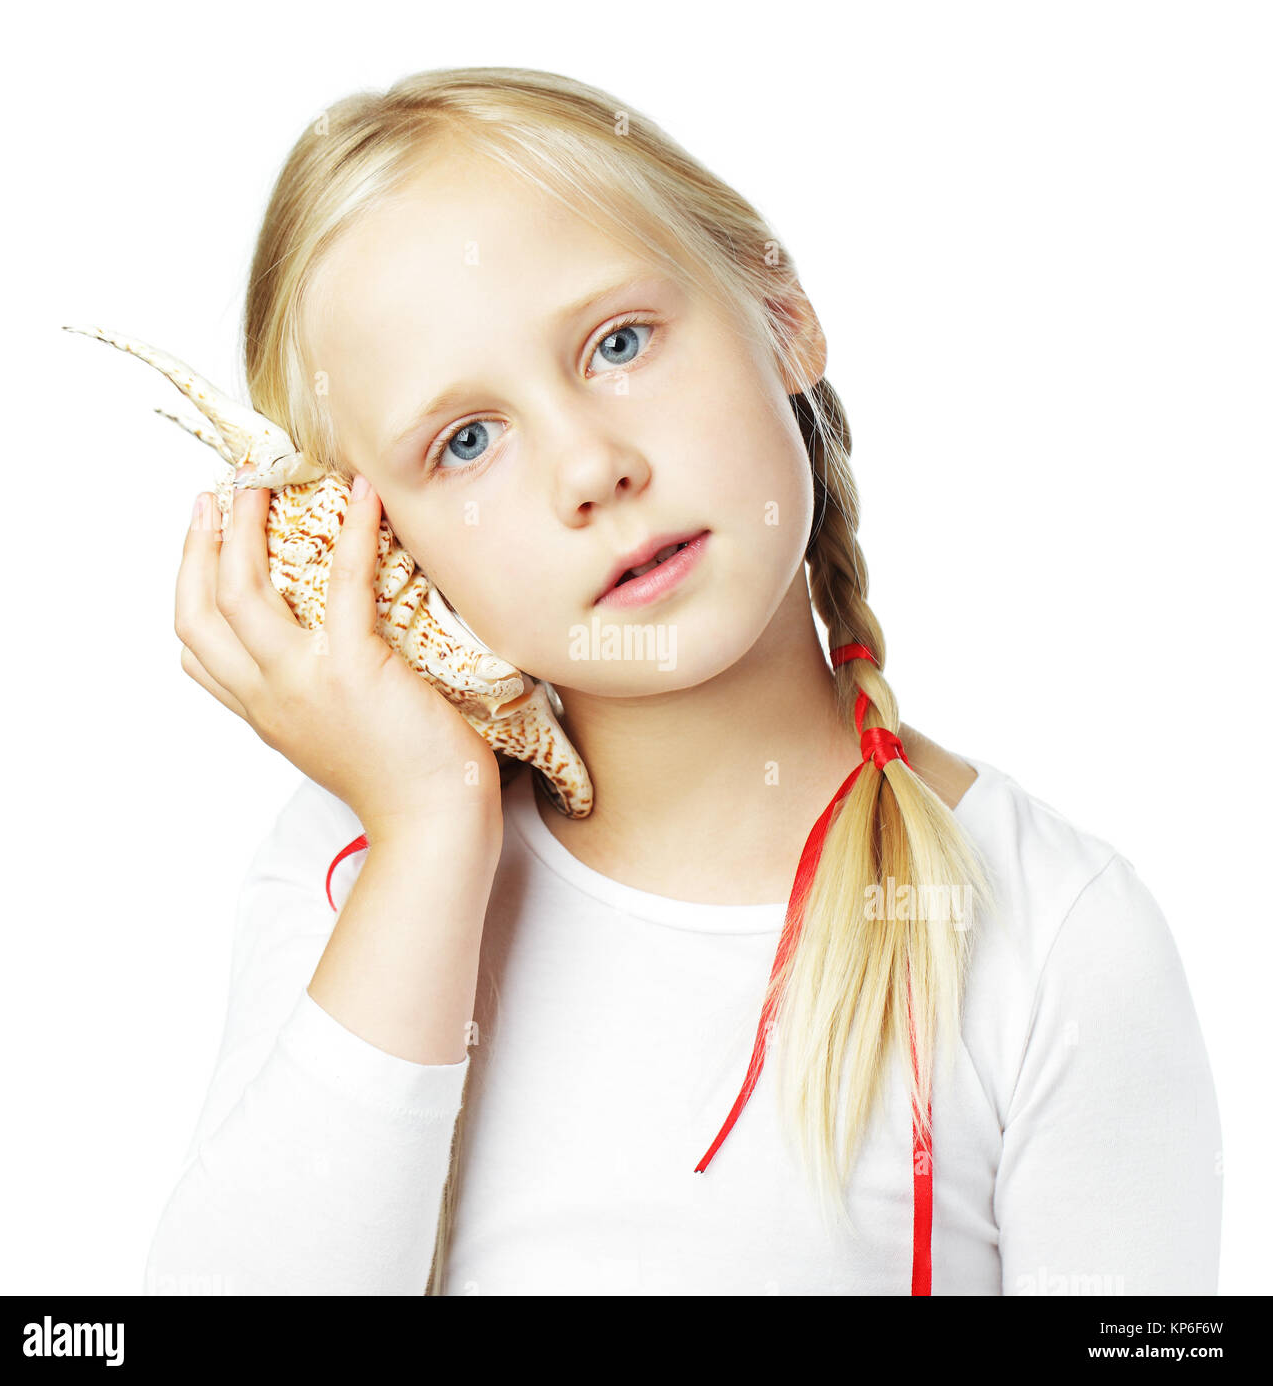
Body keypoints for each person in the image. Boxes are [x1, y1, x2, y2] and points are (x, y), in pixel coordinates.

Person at [145, 66, 1221, 1296]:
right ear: (379, 548)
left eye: (617, 343)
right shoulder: (354, 872)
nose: (590, 467)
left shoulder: (1053, 938)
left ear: (783, 315)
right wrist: (434, 830)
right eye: (467, 440)